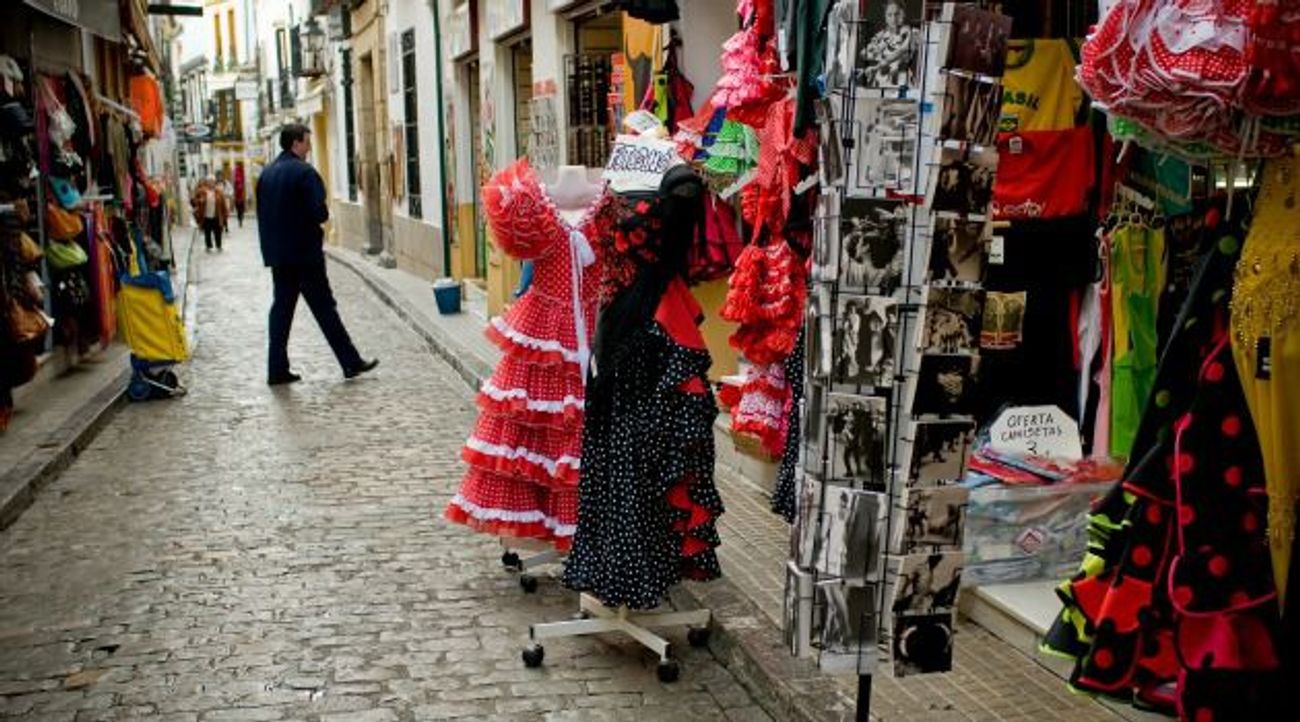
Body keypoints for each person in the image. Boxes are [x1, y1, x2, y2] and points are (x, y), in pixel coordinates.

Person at [257, 123, 377, 385]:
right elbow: (319, 211)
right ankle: (350, 361)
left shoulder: (267, 174)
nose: (310, 147)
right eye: (307, 141)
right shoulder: (304, 172)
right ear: (296, 143)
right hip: (305, 255)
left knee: (281, 311)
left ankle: (276, 369)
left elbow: (262, 216)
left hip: (280, 257)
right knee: (325, 308)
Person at [190, 176, 228, 252]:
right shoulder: (201, 191)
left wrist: (225, 215)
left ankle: (219, 245)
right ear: (207, 182)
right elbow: (193, 200)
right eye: (209, 181)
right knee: (207, 232)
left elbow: (223, 204)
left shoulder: (219, 192)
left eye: (212, 181)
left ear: (214, 182)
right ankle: (208, 246)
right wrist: (199, 200)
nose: (211, 183)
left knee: (218, 231)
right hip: (206, 216)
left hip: (216, 215)